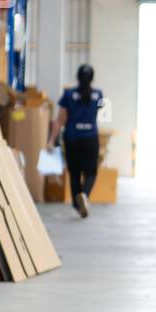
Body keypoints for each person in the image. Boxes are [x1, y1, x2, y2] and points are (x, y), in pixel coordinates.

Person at [47, 64, 103, 218]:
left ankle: (77, 205)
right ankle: (84, 194)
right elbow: (99, 112)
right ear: (92, 78)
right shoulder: (99, 95)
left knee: (74, 173)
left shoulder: (68, 94)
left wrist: (52, 140)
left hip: (72, 138)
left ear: (77, 77)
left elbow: (60, 120)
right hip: (90, 137)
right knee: (91, 172)